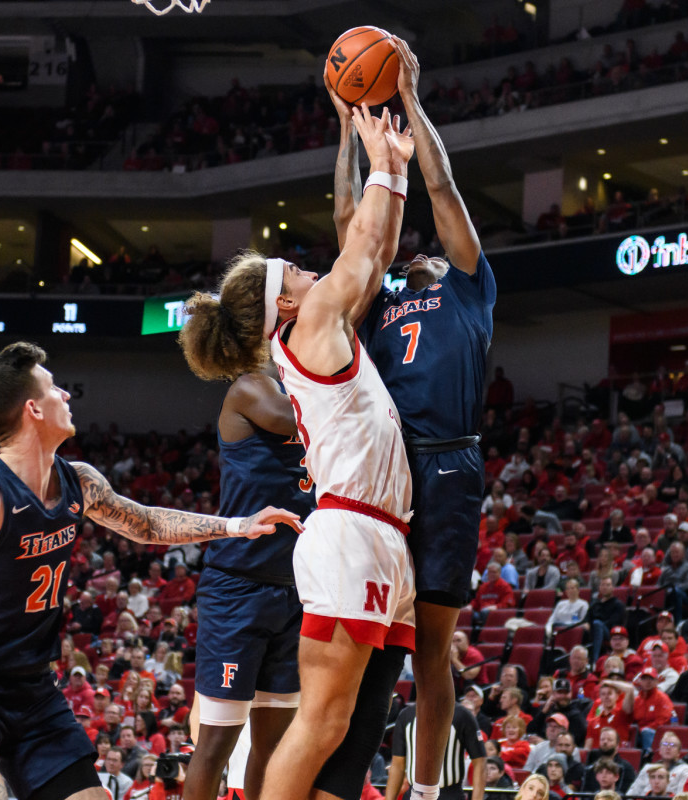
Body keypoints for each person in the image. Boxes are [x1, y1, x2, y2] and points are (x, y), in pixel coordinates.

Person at [0, 343, 299, 800]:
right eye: (55, 387)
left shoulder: (78, 480)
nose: (66, 394)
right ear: (33, 408)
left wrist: (239, 525)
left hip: (36, 691)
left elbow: (145, 522)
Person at [179, 101, 414, 800]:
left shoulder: (319, 325)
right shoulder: (305, 330)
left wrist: (393, 175)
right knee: (317, 724)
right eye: (298, 272)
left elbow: (375, 254)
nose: (313, 273)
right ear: (285, 304)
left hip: (371, 531)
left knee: (337, 723)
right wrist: (379, 166)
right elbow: (362, 246)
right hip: (340, 531)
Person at [320, 35, 496, 800]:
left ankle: (426, 791)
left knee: (432, 648)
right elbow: (346, 218)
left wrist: (412, 103)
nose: (420, 246)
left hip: (448, 461)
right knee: (368, 645)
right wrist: (345, 130)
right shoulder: (382, 297)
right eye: (411, 249)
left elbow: (442, 190)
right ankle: (341, 774)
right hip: (382, 471)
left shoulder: (467, 284)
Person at [175, 321, 317, 800]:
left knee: (274, 746)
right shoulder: (249, 388)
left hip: (296, 587)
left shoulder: (291, 384)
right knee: (216, 743)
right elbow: (296, 418)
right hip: (240, 586)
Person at [384, 702, 487, 800]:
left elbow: (480, 762)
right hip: (414, 794)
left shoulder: (462, 714)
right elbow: (397, 765)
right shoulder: (406, 715)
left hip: (449, 795)